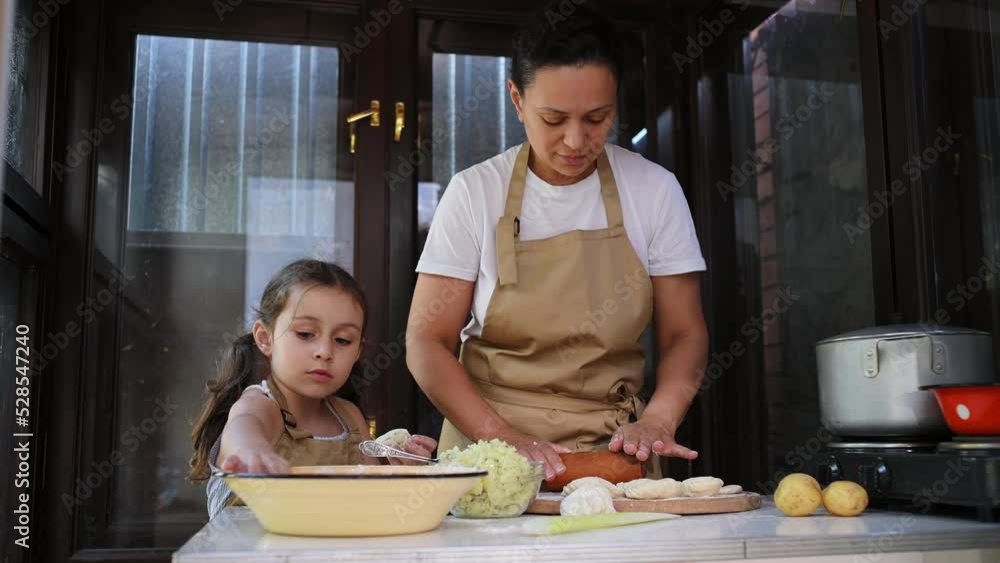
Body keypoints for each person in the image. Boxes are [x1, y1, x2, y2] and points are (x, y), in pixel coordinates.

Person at [406, 1, 708, 483]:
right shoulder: (475, 192)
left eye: (597, 117)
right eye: (553, 119)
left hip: (611, 450)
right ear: (517, 99)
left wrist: (658, 419)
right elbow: (427, 340)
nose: (575, 140)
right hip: (488, 454)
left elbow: (684, 334)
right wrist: (504, 438)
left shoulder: (654, 190)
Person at [189, 259, 437, 519]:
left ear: (358, 352)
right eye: (306, 334)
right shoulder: (261, 405)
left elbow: (375, 501)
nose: (325, 352)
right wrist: (253, 452)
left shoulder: (350, 418)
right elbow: (243, 427)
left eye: (342, 340)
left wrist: (405, 472)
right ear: (265, 338)